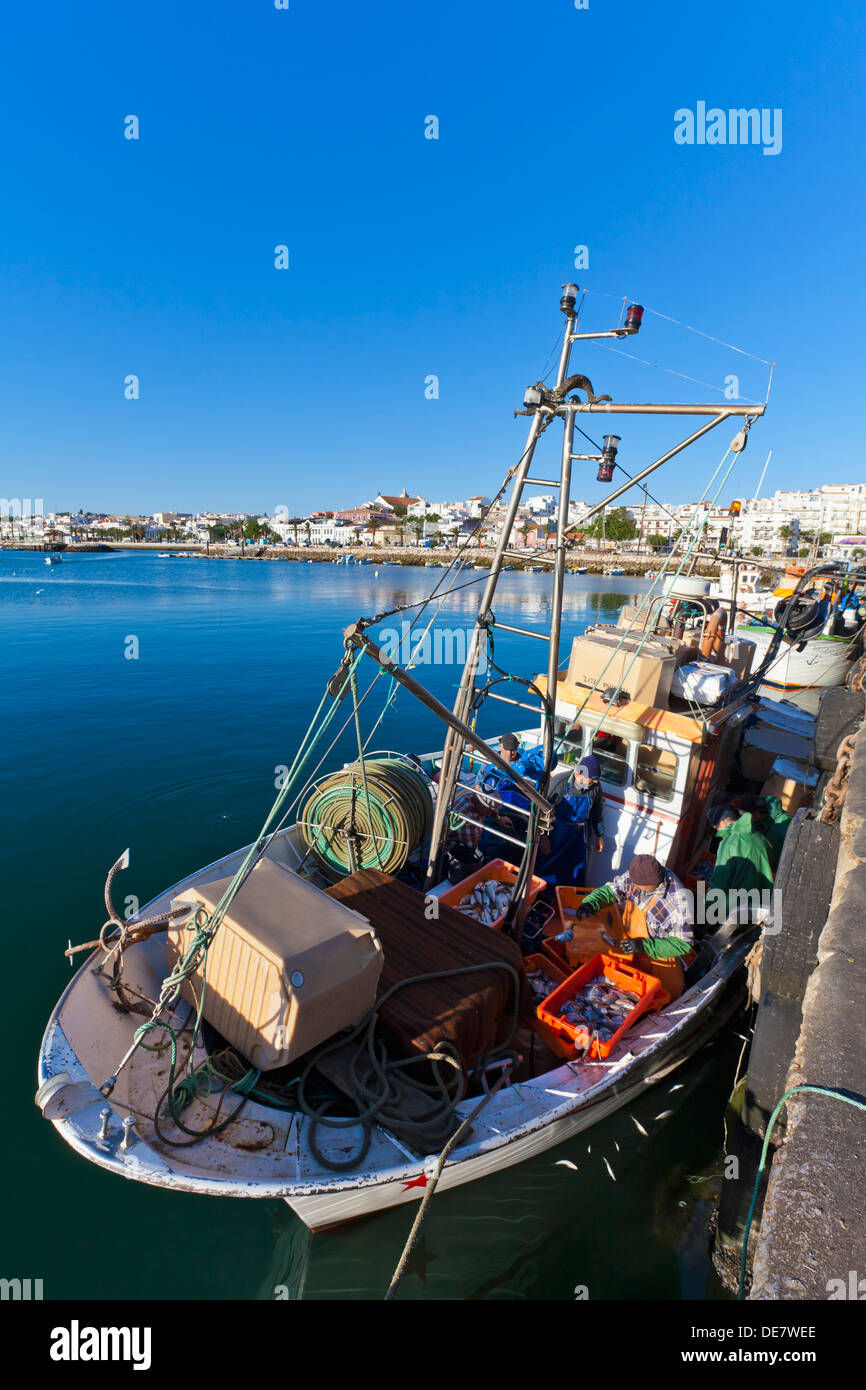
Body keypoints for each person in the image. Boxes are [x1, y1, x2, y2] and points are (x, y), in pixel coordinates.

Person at [556, 853, 694, 1001]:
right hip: (633, 943)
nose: (633, 886)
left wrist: (644, 946)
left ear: (653, 883)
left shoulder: (679, 901)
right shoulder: (637, 875)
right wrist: (591, 903)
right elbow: (613, 890)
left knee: (664, 996)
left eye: (639, 887)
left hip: (662, 954)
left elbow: (683, 944)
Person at [535, 755, 604, 888]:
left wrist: (599, 835)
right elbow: (541, 812)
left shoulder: (595, 787)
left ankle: (568, 896)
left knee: (577, 868)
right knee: (547, 865)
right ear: (579, 774)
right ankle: (542, 894)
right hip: (556, 832)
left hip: (579, 835)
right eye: (592, 780)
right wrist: (544, 838)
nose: (595, 783)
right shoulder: (560, 782)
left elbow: (597, 811)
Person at [706, 802, 774, 919]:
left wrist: (706, 907)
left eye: (715, 827)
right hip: (764, 903)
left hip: (738, 907)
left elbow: (720, 882)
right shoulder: (759, 837)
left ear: (723, 822)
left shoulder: (729, 843)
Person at [730, 792, 791, 873]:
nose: (744, 820)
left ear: (756, 814)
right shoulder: (759, 822)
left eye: (746, 817)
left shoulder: (786, 826)